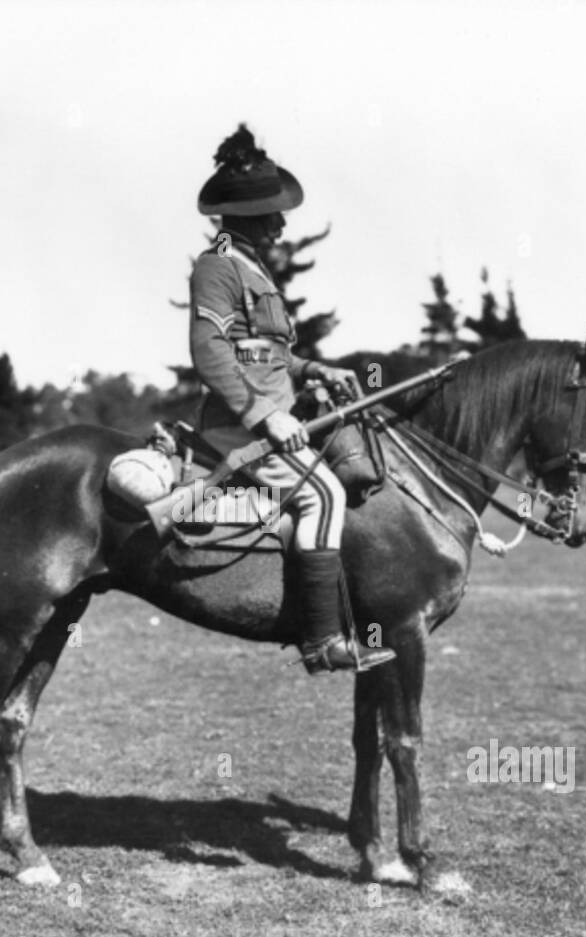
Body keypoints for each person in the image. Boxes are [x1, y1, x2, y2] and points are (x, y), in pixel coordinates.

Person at [189, 124, 395, 675]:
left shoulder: (254, 269)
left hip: (273, 421)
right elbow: (210, 354)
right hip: (240, 429)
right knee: (322, 494)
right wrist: (266, 417)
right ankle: (323, 641)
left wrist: (314, 369)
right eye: (272, 214)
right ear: (246, 217)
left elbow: (269, 357)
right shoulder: (218, 267)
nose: (282, 223)